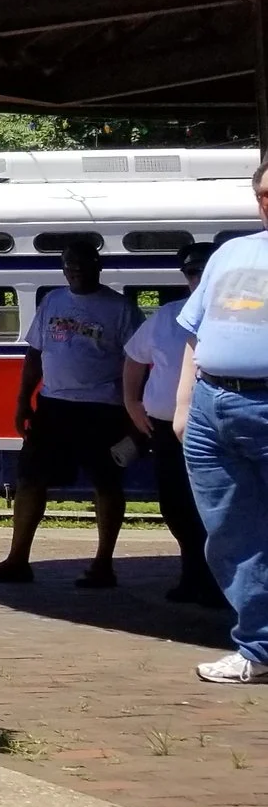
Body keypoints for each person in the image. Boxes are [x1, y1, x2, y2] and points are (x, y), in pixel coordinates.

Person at [0, 240, 141, 588]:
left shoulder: (121, 309)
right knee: (30, 480)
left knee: (106, 483)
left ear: (98, 266)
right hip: (53, 406)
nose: (75, 270)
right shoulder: (52, 301)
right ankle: (18, 559)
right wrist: (23, 400)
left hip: (102, 408)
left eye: (82, 264)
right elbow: (35, 354)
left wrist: (132, 409)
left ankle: (103, 564)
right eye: (69, 265)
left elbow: (137, 362)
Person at [172, 165, 268, 685]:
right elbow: (195, 331)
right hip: (213, 405)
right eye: (262, 194)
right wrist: (186, 407)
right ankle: (258, 647)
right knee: (231, 533)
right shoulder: (231, 253)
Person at [124, 241, 225, 607]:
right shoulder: (168, 316)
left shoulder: (238, 313)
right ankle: (192, 573)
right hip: (166, 430)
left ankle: (219, 582)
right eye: (190, 272)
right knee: (176, 507)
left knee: (216, 507)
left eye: (202, 271)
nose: (196, 279)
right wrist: (132, 403)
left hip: (216, 427)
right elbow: (134, 358)